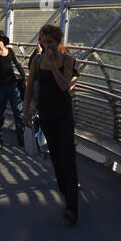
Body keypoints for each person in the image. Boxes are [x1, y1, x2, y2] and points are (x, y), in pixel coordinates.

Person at [23, 24, 79, 224]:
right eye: (44, 42)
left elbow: (64, 85)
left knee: (68, 157)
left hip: (63, 114)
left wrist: (54, 63)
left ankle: (72, 207)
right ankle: (66, 191)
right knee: (55, 155)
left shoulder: (68, 60)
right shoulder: (37, 61)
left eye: (50, 42)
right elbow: (29, 86)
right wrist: (26, 109)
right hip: (45, 114)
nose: (47, 45)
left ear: (58, 42)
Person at [0, 31, 25, 147]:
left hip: (12, 85)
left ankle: (22, 139)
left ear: (3, 40)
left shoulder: (10, 51)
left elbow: (17, 64)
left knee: (18, 113)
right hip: (0, 87)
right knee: (0, 113)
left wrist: (24, 77)